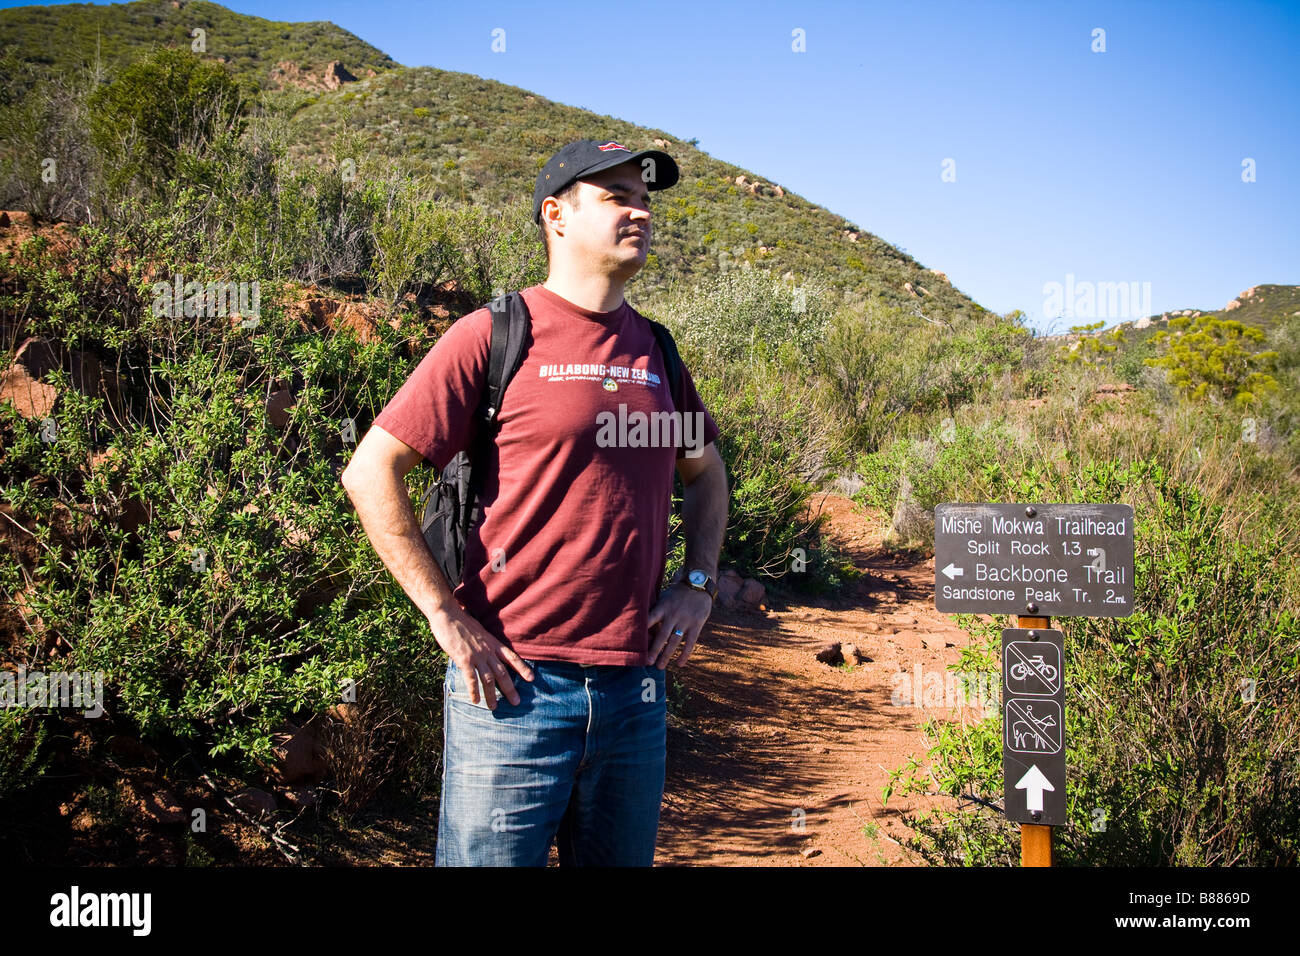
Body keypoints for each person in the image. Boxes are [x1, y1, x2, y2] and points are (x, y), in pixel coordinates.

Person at [340, 138, 729, 866]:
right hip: (512, 694)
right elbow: (370, 472)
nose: (641, 211)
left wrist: (698, 585)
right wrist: (444, 615)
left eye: (646, 199)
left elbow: (706, 473)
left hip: (634, 694)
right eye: (619, 196)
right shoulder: (493, 336)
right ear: (557, 214)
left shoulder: (656, 356)